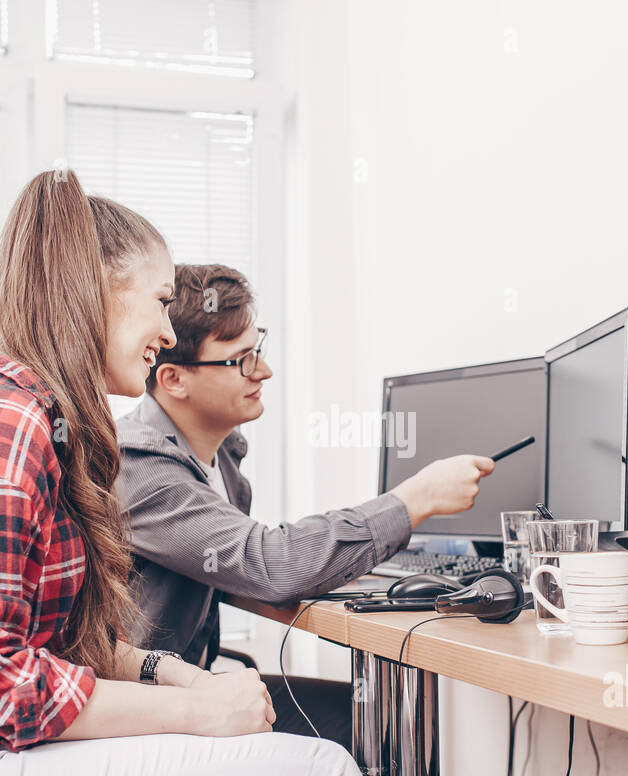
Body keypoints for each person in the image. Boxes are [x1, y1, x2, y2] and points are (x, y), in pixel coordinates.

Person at [0, 170, 413, 776]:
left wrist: (168, 673)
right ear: (92, 287)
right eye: (160, 301)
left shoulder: (44, 422)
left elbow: (53, 640)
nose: (167, 330)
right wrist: (199, 713)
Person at [115, 263, 495, 746]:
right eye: (241, 360)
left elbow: (246, 558)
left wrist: (335, 559)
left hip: (191, 687)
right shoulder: (139, 464)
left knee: (370, 716)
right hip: (147, 715)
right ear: (173, 379)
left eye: (259, 350)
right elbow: (268, 564)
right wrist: (415, 499)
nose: (264, 371)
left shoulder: (222, 456)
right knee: (369, 722)